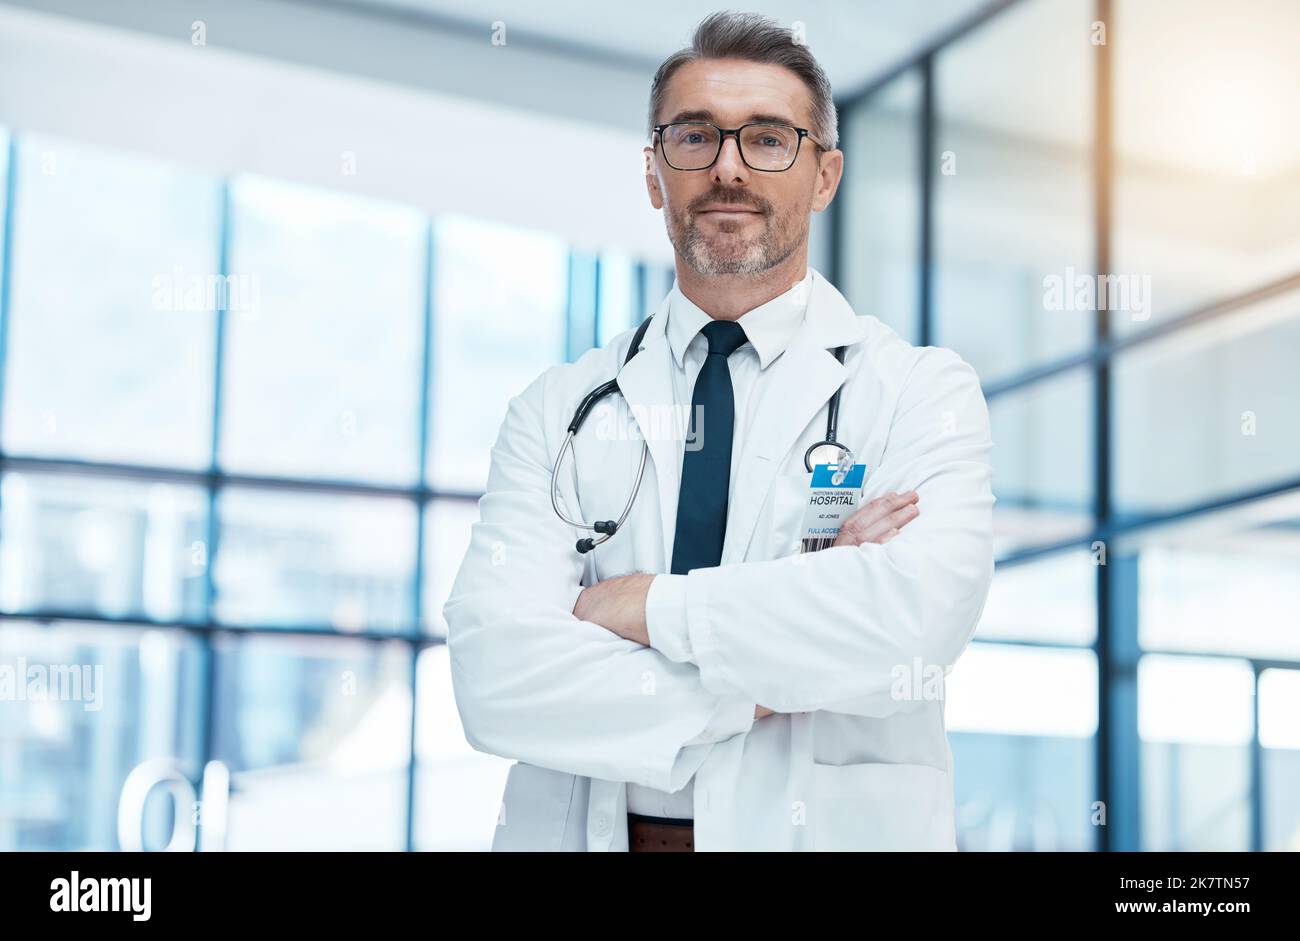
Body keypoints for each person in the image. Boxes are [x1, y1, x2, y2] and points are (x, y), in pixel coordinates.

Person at [444, 10, 994, 852]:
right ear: (655, 172)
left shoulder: (918, 391)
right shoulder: (556, 409)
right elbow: (495, 677)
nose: (728, 168)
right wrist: (772, 679)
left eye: (770, 139)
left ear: (825, 175)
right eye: (695, 137)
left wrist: (640, 606)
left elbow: (907, 629)